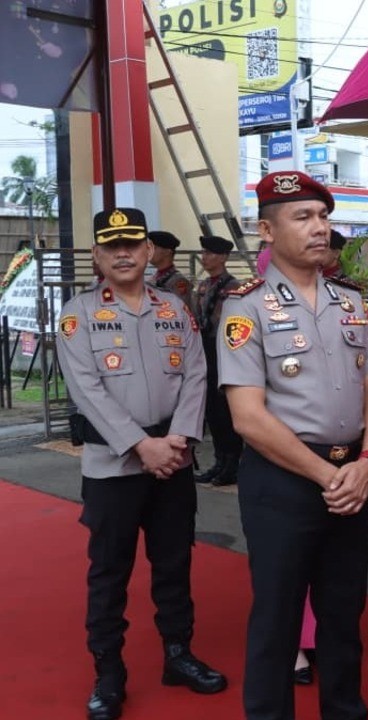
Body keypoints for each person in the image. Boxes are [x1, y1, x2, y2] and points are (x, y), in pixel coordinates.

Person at [219, 170, 368, 720]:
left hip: (352, 478)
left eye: (323, 217)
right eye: (303, 217)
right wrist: (327, 476)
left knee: (344, 615)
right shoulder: (245, 306)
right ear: (267, 231)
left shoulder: (350, 301)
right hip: (284, 483)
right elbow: (248, 418)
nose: (320, 228)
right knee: (277, 618)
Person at [57, 208, 227, 720]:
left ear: (148, 250)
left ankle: (178, 654)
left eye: (132, 243)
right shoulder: (78, 314)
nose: (123, 253)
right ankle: (108, 673)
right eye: (112, 246)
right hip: (112, 467)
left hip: (172, 459)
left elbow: (197, 373)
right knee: (109, 573)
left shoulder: (174, 306)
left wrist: (178, 439)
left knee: (174, 563)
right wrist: (140, 446)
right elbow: (87, 390)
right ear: (97, 255)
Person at [194, 235, 243, 487]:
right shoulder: (204, 285)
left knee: (225, 412)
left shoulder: (234, 286)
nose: (205, 258)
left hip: (224, 352)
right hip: (205, 351)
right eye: (203, 253)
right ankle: (219, 461)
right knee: (212, 411)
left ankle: (232, 464)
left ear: (223, 257)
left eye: (210, 253)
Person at [148, 230, 194, 311]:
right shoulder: (153, 279)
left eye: (154, 248)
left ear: (167, 252)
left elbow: (182, 311)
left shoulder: (179, 282)